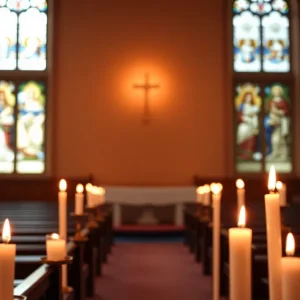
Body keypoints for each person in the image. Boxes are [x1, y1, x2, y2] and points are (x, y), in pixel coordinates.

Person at [17, 82, 45, 160]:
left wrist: (37, 119)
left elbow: (42, 114)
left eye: (32, 92)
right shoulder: (23, 103)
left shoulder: (38, 103)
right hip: (25, 123)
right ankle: (23, 150)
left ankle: (36, 151)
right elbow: (20, 114)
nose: (30, 94)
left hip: (36, 123)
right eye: (28, 92)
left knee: (36, 131)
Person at [236, 85, 262, 160]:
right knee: (241, 137)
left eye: (250, 97)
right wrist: (245, 118)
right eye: (247, 97)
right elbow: (239, 116)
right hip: (243, 125)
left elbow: (256, 116)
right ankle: (241, 155)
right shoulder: (241, 106)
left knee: (251, 141)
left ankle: (249, 155)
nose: (248, 98)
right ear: (244, 97)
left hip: (252, 126)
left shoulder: (254, 107)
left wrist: (253, 118)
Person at [264, 85, 289, 160]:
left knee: (281, 139)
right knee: (274, 139)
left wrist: (278, 112)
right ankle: (275, 153)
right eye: (275, 91)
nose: (276, 93)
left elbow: (286, 111)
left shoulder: (283, 101)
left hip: (281, 121)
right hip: (272, 121)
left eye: (278, 91)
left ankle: (283, 154)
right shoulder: (271, 101)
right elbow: (267, 110)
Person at [0, 82, 15, 161]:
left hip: (8, 125)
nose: (1, 96)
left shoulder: (8, 106)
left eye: (2, 94)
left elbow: (9, 112)